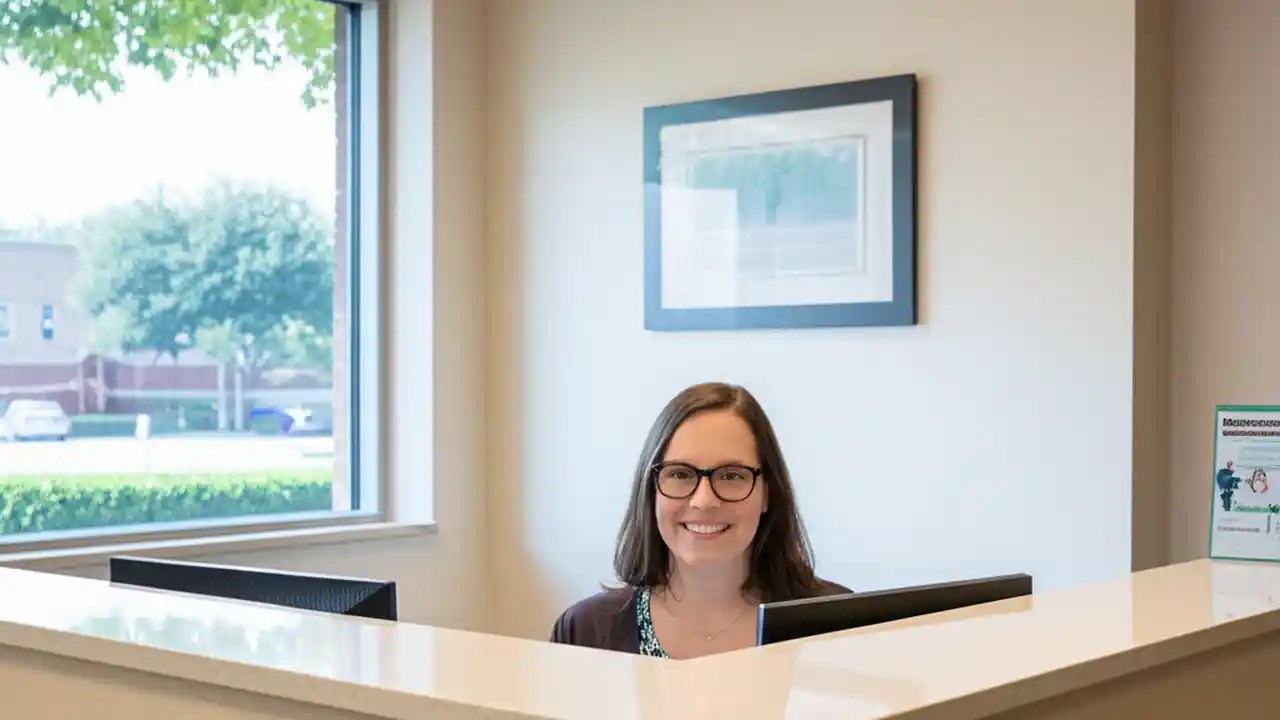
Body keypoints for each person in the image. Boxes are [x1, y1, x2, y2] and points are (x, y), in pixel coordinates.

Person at [549, 382, 850, 659]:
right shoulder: (584, 632)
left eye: (731, 476)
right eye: (680, 474)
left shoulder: (840, 625)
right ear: (650, 492)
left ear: (768, 494)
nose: (704, 501)